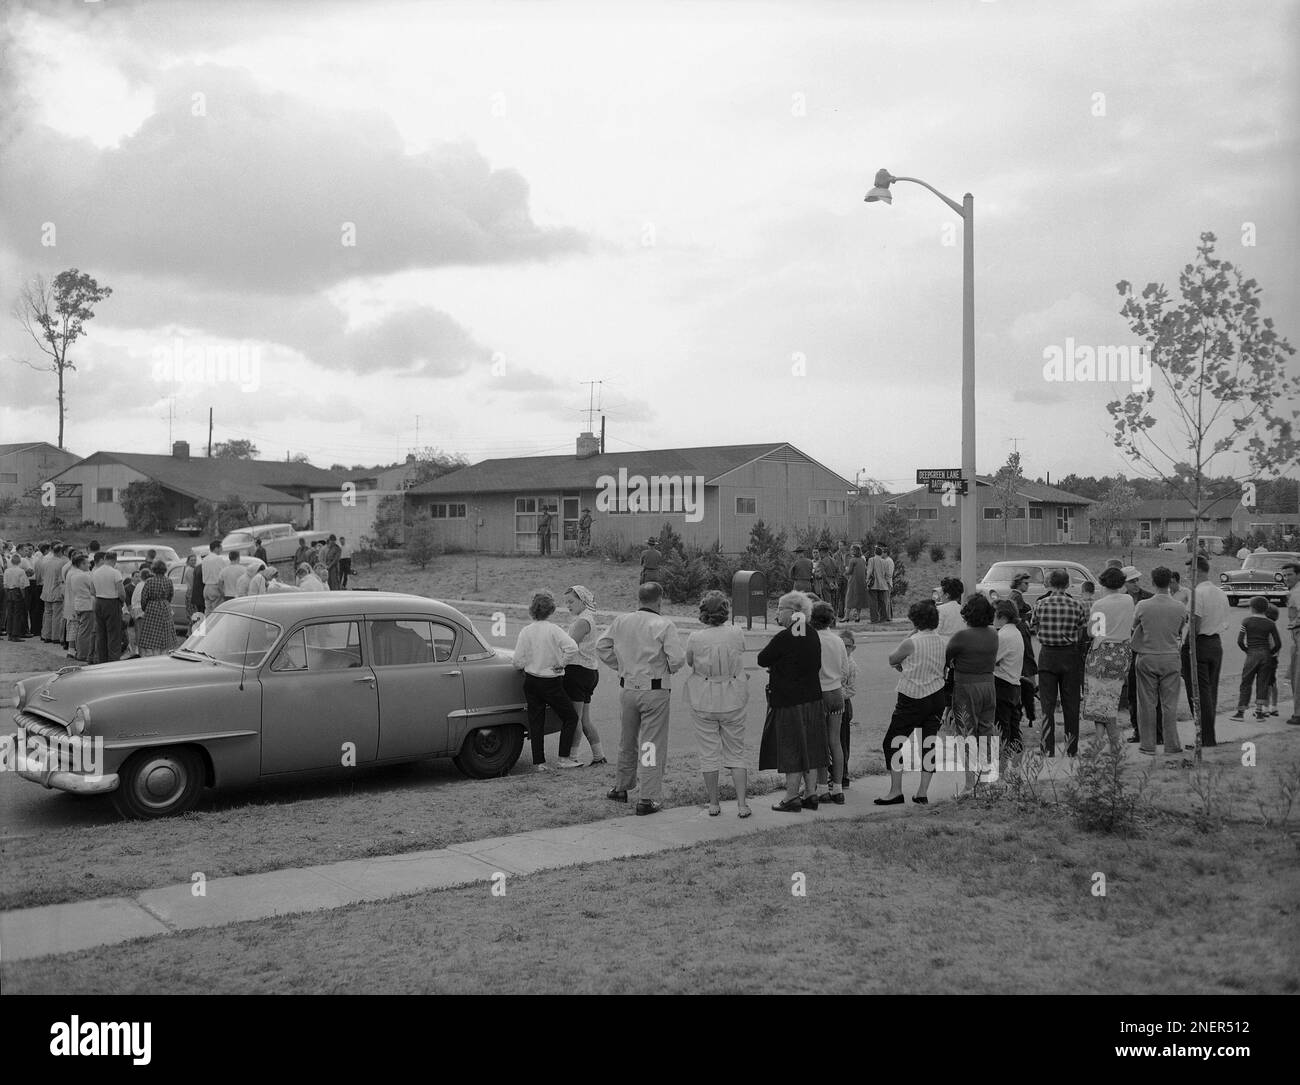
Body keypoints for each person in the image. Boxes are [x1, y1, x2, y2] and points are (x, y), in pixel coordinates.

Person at [596, 581, 686, 814]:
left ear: (639, 599)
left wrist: (621, 665)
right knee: (650, 744)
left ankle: (621, 786)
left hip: (628, 688)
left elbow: (602, 647)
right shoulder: (664, 624)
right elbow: (676, 659)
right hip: (654, 689)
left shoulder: (621, 621)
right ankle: (647, 796)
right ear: (659, 600)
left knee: (627, 741)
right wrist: (667, 669)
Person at [684, 590, 751, 817]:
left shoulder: (695, 637)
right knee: (736, 750)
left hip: (704, 696)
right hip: (732, 695)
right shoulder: (736, 633)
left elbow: (690, 662)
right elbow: (740, 651)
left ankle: (714, 803)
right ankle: (742, 804)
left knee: (708, 752)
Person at [757, 591, 825, 812]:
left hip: (790, 701)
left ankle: (791, 796)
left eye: (780, 608)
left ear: (794, 612)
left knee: (792, 747)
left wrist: (777, 666)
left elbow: (762, 659)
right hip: (813, 698)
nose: (777, 612)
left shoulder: (785, 636)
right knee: (811, 747)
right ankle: (812, 793)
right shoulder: (813, 633)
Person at [878, 599, 947, 804]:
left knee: (893, 742)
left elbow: (892, 659)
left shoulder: (912, 641)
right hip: (936, 694)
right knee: (928, 743)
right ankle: (922, 791)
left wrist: (911, 634)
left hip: (912, 695)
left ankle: (896, 790)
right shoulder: (943, 642)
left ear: (914, 621)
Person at [511, 590, 583, 771]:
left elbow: (517, 661)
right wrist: (562, 664)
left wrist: (524, 666)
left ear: (532, 609)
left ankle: (539, 763)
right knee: (570, 717)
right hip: (551, 681)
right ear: (550, 610)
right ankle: (563, 758)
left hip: (531, 681)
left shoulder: (526, 631)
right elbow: (572, 647)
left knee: (536, 721)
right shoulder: (554, 630)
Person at [1130, 566, 1188, 761]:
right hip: (1171, 656)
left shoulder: (1143, 606)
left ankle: (1147, 745)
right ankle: (1171, 743)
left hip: (1147, 656)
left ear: (1153, 582)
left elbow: (1135, 626)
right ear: (1170, 581)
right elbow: (1180, 629)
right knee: (1169, 704)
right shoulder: (1180, 607)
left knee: (1146, 703)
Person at [1031, 568, 1088, 757]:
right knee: (1071, 704)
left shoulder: (1040, 604)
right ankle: (1071, 748)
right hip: (1070, 654)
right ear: (1067, 584)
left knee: (1047, 705)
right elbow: (1081, 632)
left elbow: (1034, 626)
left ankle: (1047, 748)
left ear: (1049, 584)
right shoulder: (1077, 605)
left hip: (1047, 654)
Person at [944, 594, 999, 789]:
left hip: (966, 686)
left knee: (966, 732)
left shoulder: (961, 636)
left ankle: (969, 783)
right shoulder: (993, 634)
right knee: (986, 730)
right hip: (988, 685)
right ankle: (985, 779)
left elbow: (948, 657)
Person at [1081, 567, 1135, 749]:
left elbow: (1093, 632)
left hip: (1103, 653)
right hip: (1123, 653)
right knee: (1110, 698)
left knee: (1098, 699)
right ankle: (1102, 741)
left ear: (1103, 583)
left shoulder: (1100, 605)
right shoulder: (1128, 600)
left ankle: (1109, 741)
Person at [1181, 553, 1229, 747]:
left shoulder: (1197, 593)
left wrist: (1185, 645)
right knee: (1211, 692)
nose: (1186, 577)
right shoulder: (1220, 592)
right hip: (1216, 643)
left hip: (1198, 643)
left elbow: (1195, 623)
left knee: (1198, 693)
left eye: (1188, 573)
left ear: (1197, 571)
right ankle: (1207, 735)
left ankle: (1204, 736)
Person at [562, 585, 606, 766]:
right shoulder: (588, 619)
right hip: (589, 671)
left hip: (577, 671)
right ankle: (598, 756)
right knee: (585, 718)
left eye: (571, 602)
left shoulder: (582, 621)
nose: (568, 606)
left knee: (575, 718)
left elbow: (569, 646)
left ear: (582, 601)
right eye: (566, 603)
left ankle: (572, 757)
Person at [811, 601, 848, 805]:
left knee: (820, 742)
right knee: (836, 741)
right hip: (836, 693)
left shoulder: (813, 640)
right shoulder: (837, 640)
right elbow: (844, 669)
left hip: (819, 692)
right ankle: (838, 787)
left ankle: (823, 786)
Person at [1232, 596, 1281, 721]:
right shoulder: (1271, 624)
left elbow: (1239, 641)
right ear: (1266, 609)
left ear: (1252, 608)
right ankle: (1259, 712)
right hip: (1266, 654)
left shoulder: (1246, 621)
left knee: (1246, 682)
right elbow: (1278, 643)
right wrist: (1270, 653)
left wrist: (1247, 650)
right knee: (1263, 683)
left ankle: (1241, 712)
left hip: (1252, 653)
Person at [991, 600, 1026, 764]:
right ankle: (1018, 766)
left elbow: (990, 660)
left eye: (994, 614)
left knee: (1001, 730)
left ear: (1002, 616)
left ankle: (1003, 767)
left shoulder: (1003, 635)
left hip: (1002, 685)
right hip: (1014, 684)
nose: (992, 617)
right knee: (1013, 729)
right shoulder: (1015, 632)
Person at [91, 551, 125, 664]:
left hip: (99, 602)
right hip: (112, 602)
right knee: (114, 634)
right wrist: (122, 602)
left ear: (105, 559)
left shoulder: (95, 572)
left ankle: (102, 660)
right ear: (114, 560)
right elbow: (121, 593)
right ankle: (113, 661)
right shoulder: (115, 573)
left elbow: (92, 591)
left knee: (101, 633)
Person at [137, 560, 176, 657]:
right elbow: (171, 595)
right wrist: (165, 603)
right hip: (165, 607)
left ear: (154, 570)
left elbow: (144, 597)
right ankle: (163, 654)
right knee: (165, 633)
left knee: (152, 635)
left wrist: (145, 608)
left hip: (152, 608)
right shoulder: (169, 581)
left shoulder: (149, 581)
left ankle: (155, 655)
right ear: (164, 570)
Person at [65, 553, 96, 662]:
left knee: (81, 630)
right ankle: (83, 654)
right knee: (86, 631)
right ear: (81, 564)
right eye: (87, 563)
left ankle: (79, 651)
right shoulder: (84, 575)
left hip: (79, 604)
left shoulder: (73, 575)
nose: (89, 565)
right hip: (87, 604)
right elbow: (93, 588)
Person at [838, 628, 857, 788]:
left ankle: (843, 775)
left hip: (843, 704)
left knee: (842, 741)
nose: (844, 649)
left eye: (848, 646)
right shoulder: (836, 661)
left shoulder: (851, 665)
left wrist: (838, 693)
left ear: (853, 648)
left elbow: (851, 689)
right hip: (833, 702)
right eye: (841, 645)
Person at [1282, 563, 1300, 728]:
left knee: (1298, 677)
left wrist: (1295, 624)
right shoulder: (1294, 591)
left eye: (1290, 575)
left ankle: (1298, 714)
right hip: (1296, 639)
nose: (1286, 578)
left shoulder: (1297, 592)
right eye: (1285, 575)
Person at [3, 553, 28, 641]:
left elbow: (5, 584)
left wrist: (7, 594)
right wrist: (23, 595)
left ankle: (9, 633)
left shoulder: (6, 571)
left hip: (9, 592)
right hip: (17, 592)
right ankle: (15, 634)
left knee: (10, 613)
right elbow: (22, 585)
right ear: (20, 561)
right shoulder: (21, 571)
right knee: (17, 614)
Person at [1264, 603, 1282, 717]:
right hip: (1274, 658)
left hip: (1268, 658)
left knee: (1266, 683)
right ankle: (1274, 707)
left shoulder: (1267, 628)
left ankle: (1265, 708)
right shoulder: (1275, 627)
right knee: (1273, 682)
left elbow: (1269, 643)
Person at [844, 543, 868, 622]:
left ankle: (846, 617)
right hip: (861, 582)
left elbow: (849, 571)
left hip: (853, 582)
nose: (851, 551)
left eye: (852, 550)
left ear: (855, 551)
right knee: (858, 600)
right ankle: (858, 617)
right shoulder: (862, 560)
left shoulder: (852, 560)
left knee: (849, 598)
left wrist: (845, 572)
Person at [866, 545, 890, 623]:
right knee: (882, 601)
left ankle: (874, 619)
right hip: (883, 585)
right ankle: (883, 618)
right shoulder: (885, 561)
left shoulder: (871, 559)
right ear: (881, 553)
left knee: (873, 602)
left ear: (874, 552)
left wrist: (867, 580)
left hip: (874, 584)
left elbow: (869, 571)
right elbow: (888, 574)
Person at [201, 541, 225, 613]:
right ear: (216, 548)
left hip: (206, 588)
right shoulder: (219, 559)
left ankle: (207, 624)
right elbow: (222, 575)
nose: (221, 550)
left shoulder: (204, 559)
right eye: (221, 548)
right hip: (216, 587)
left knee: (208, 610)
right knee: (217, 612)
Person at [881, 548, 896, 620]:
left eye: (882, 552)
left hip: (887, 583)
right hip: (886, 583)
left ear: (886, 553)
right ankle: (888, 616)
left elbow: (890, 574)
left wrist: (884, 577)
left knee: (886, 600)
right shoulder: (886, 560)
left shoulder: (889, 561)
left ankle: (887, 617)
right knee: (887, 600)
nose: (881, 554)